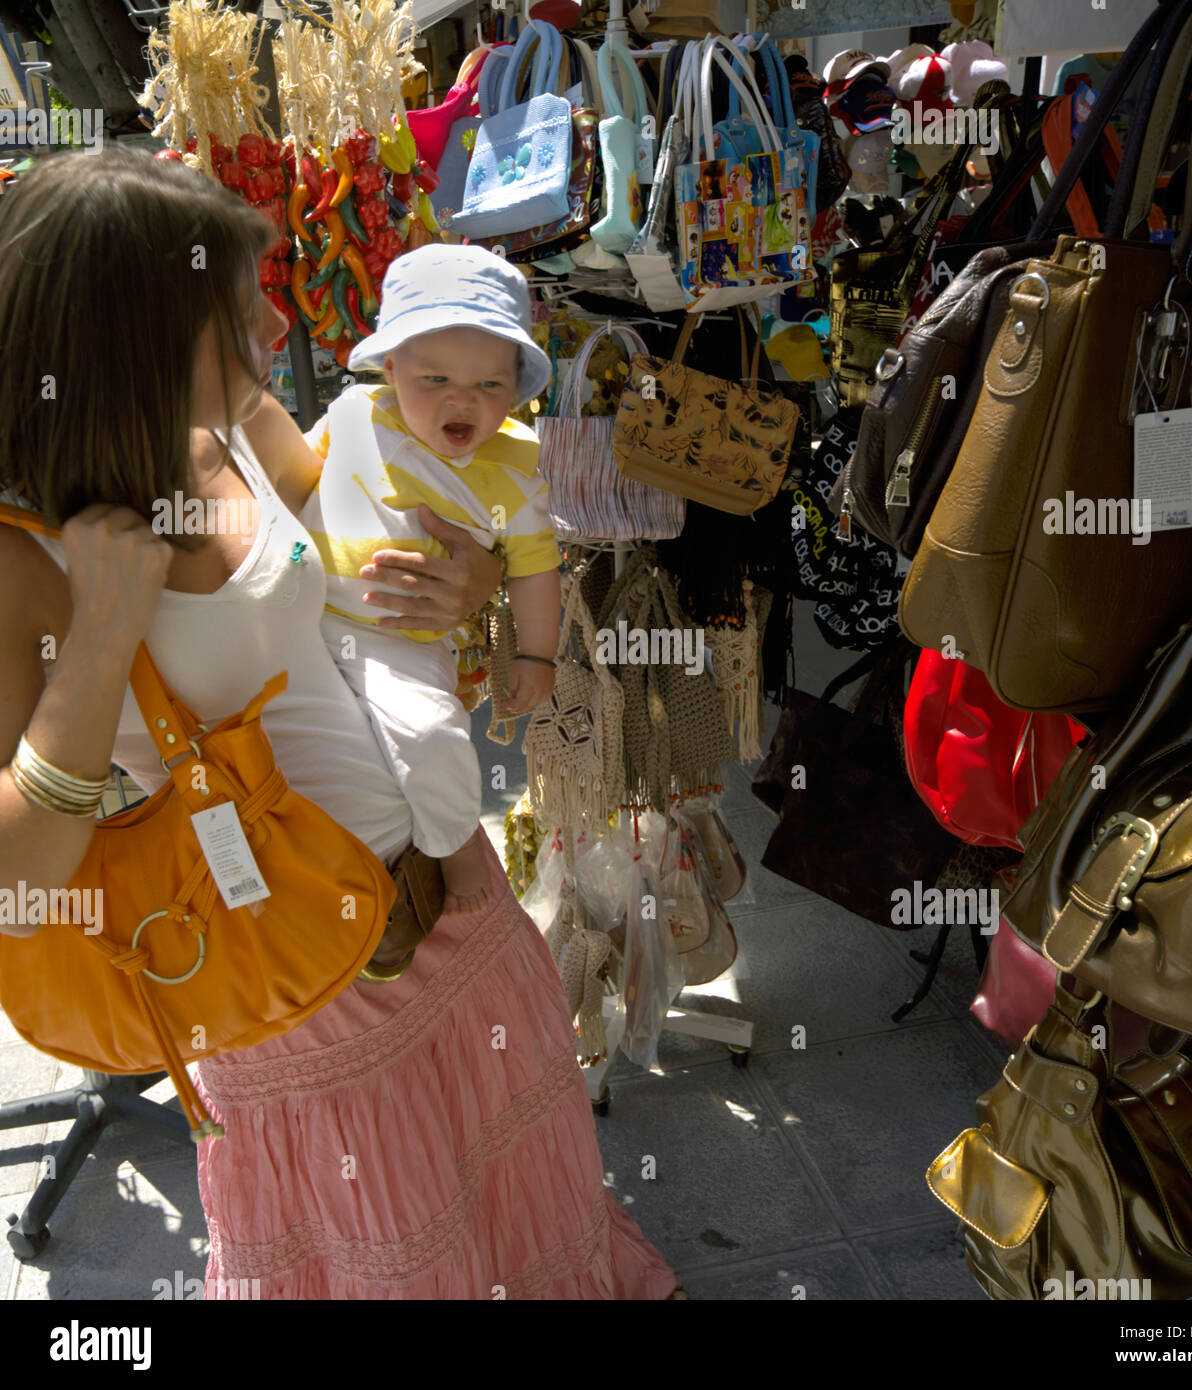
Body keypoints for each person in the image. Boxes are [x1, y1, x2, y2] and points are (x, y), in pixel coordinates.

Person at [0, 145, 682, 1299]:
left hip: (442, 888)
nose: (277, 327)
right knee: (397, 1235)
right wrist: (105, 634)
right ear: (138, 337)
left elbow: (353, 561)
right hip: (294, 967)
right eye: (238, 310)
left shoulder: (230, 428)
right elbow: (18, 877)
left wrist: (465, 586)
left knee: (519, 1173)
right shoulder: (27, 557)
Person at [299, 244, 561, 920]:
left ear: (518, 387)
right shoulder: (353, 416)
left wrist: (537, 653)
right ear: (390, 369)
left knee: (429, 736)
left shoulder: (514, 467)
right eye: (435, 378)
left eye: (489, 386)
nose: (462, 401)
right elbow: (288, 479)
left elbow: (535, 571)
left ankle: (457, 847)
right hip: (296, 616)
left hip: (397, 637)